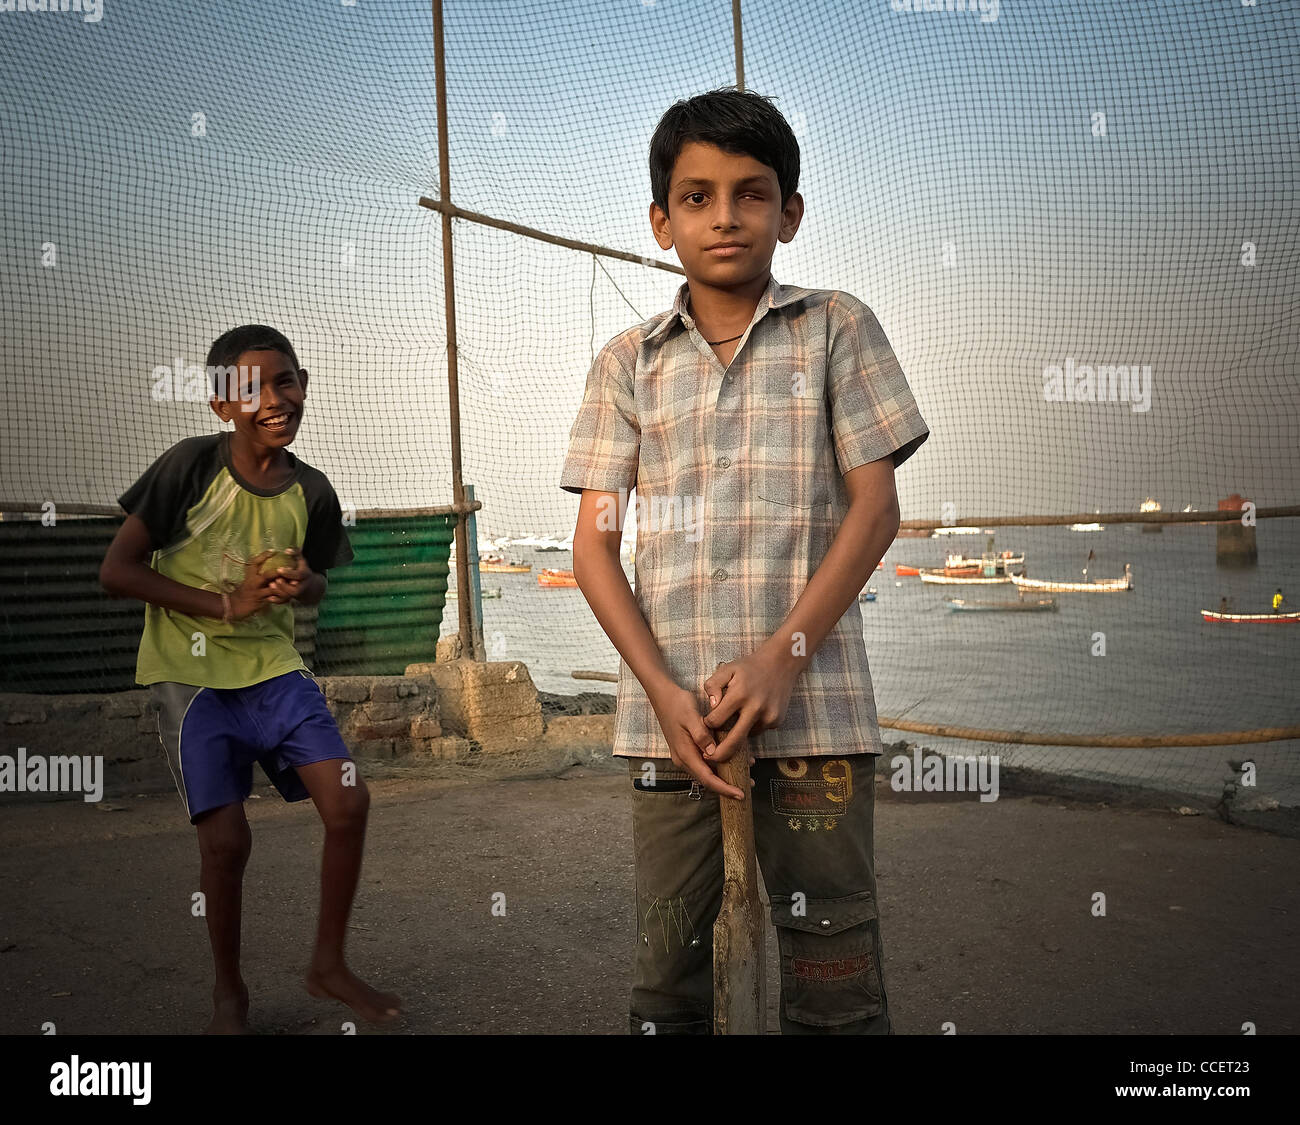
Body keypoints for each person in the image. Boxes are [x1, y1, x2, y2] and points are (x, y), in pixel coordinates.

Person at [560, 89, 929, 1034]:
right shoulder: (626, 363)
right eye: (696, 196)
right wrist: (659, 689)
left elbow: (875, 506)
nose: (724, 216)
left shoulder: (837, 325)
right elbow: (596, 542)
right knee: (666, 970)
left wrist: (780, 658)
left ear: (789, 212)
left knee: (833, 972)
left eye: (750, 193)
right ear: (661, 220)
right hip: (669, 723)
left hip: (817, 714)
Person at [100, 325, 400, 1034]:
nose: (276, 397)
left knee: (349, 802)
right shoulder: (188, 469)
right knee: (227, 843)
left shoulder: (313, 491)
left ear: (304, 385)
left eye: (288, 380)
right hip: (192, 678)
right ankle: (228, 992)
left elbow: (320, 582)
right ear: (220, 406)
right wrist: (222, 603)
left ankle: (328, 963)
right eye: (254, 388)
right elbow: (117, 571)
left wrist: (302, 583)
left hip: (276, 672)